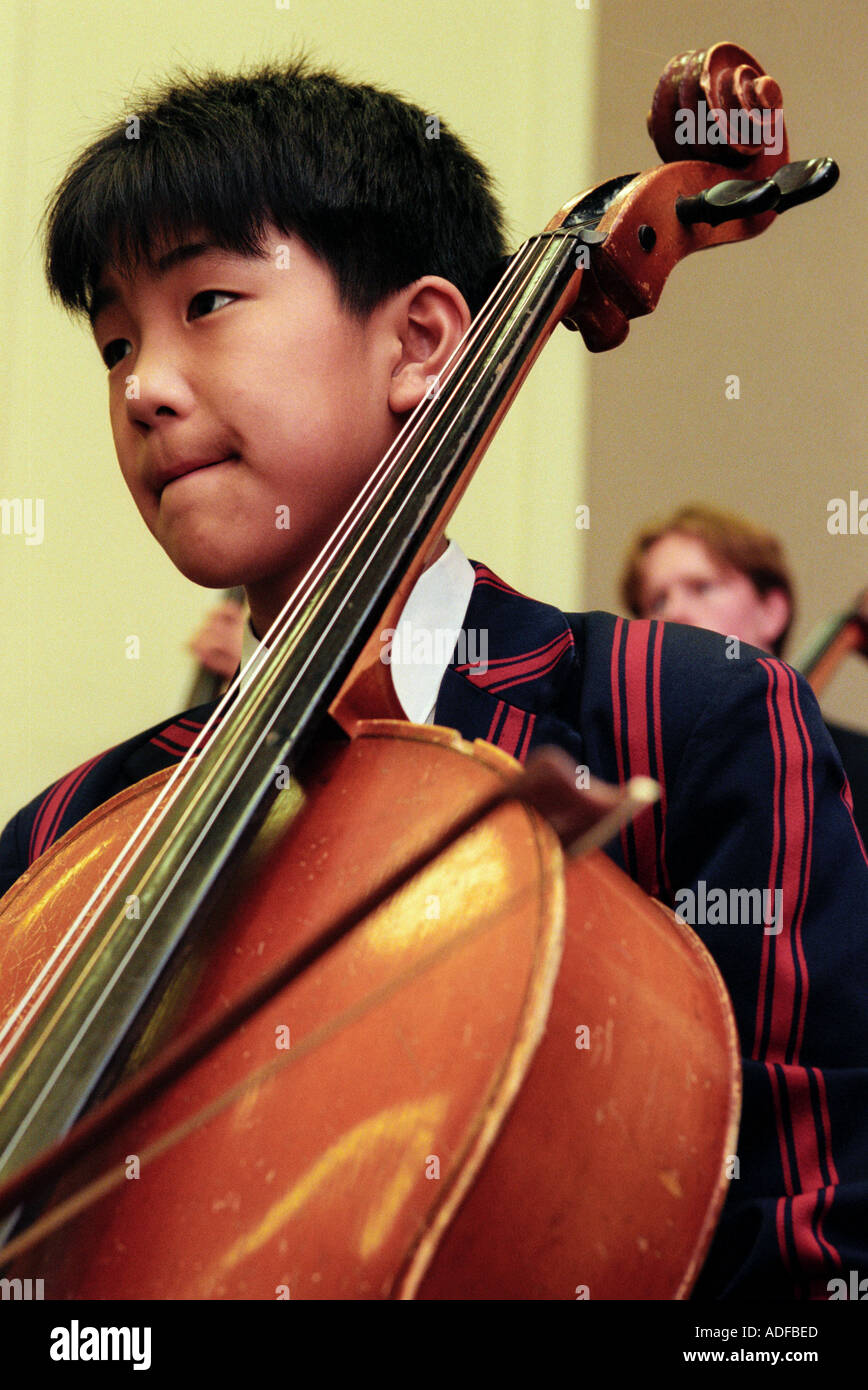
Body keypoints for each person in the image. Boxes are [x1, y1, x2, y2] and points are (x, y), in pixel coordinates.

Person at [1, 61, 867, 1301]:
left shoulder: (683, 720)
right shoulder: (69, 837)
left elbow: (818, 1253)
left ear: (418, 343)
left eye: (207, 300)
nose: (141, 385)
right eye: (114, 340)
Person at [619, 502, 868, 845]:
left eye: (701, 587)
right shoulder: (631, 784)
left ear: (772, 611)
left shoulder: (858, 769)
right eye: (657, 602)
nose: (673, 613)